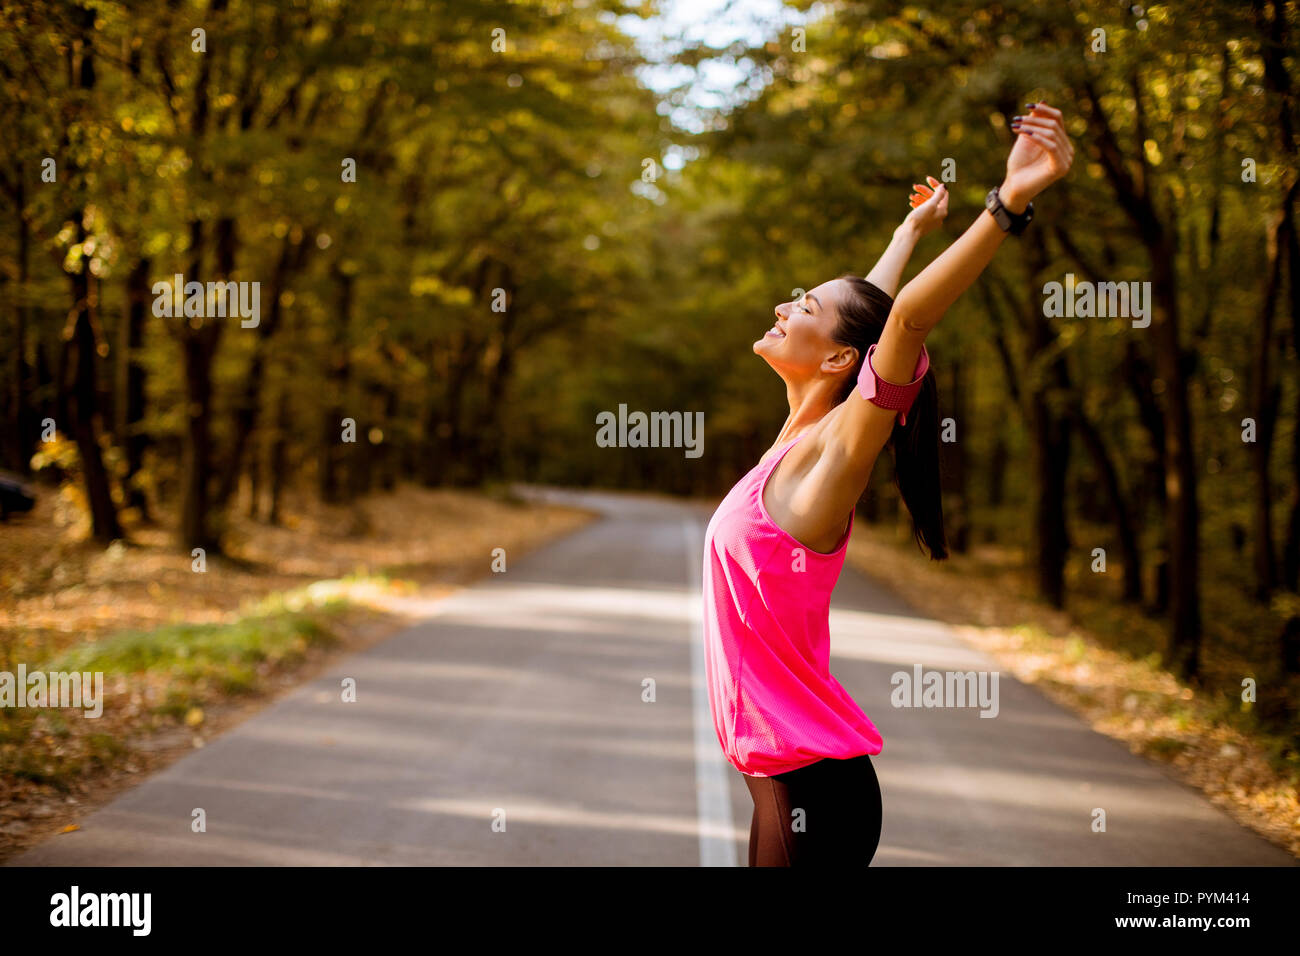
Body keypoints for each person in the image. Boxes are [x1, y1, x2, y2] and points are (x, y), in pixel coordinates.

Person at [701, 102, 1075, 866]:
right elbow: (868, 316)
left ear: (838, 360)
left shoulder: (833, 452)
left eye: (802, 307)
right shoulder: (799, 439)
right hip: (788, 787)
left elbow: (898, 325)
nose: (782, 305)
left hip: (812, 797)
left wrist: (1005, 206)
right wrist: (906, 235)